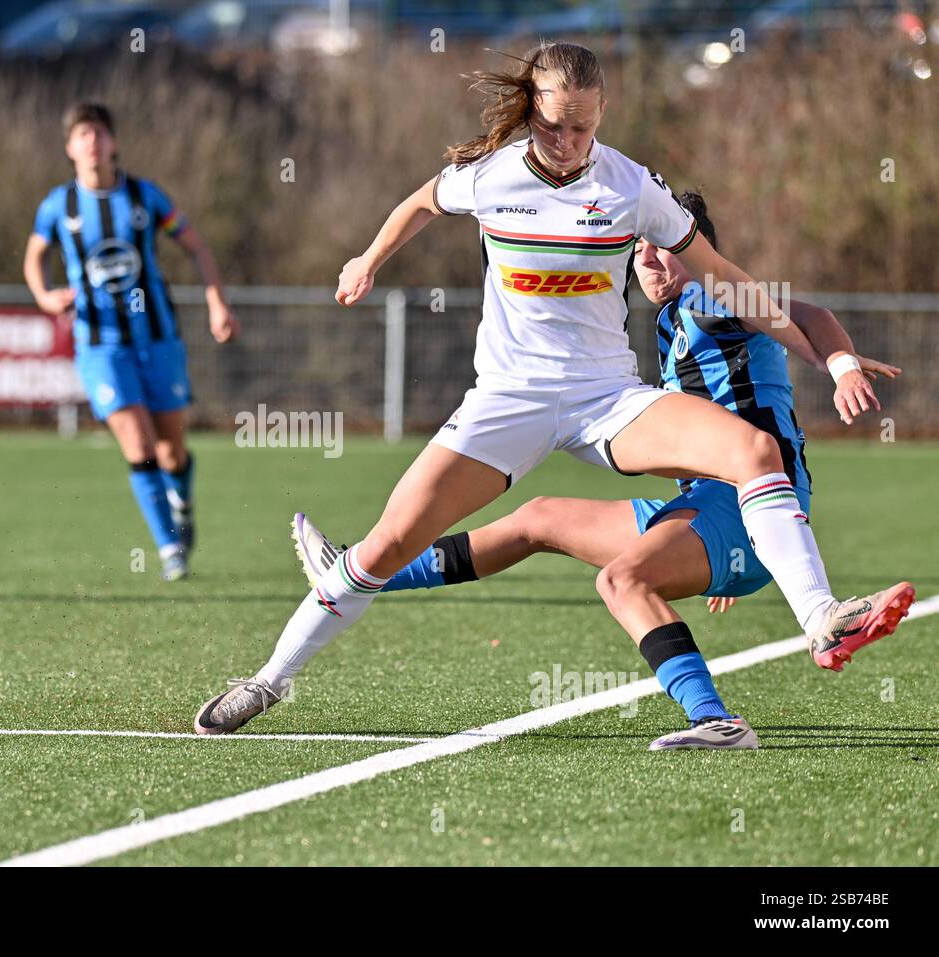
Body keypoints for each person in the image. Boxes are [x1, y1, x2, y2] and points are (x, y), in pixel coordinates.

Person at [193, 42, 910, 735]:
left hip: (606, 398)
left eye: (583, 126)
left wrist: (829, 359)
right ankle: (267, 679)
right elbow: (420, 202)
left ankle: (821, 617)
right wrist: (368, 258)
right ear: (529, 108)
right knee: (383, 545)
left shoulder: (631, 185)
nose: (567, 140)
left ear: (603, 114)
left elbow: (724, 274)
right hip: (509, 401)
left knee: (755, 450)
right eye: (551, 124)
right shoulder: (491, 176)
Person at [287, 191, 912, 751]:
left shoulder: (709, 298)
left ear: (699, 251)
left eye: (666, 248)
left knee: (621, 581)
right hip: (724, 507)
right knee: (538, 520)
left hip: (738, 504)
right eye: (640, 250)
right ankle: (356, 571)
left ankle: (720, 717)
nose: (651, 261)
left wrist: (841, 367)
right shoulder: (673, 321)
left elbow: (810, 315)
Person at [24, 103, 239, 581]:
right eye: (83, 134)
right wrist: (44, 296)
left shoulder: (146, 198)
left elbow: (195, 245)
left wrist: (217, 302)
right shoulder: (59, 206)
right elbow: (34, 256)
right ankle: (169, 549)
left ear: (113, 141)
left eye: (99, 132)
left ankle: (181, 501)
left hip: (158, 338)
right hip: (101, 346)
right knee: (137, 443)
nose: (92, 142)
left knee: (170, 450)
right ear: (69, 147)